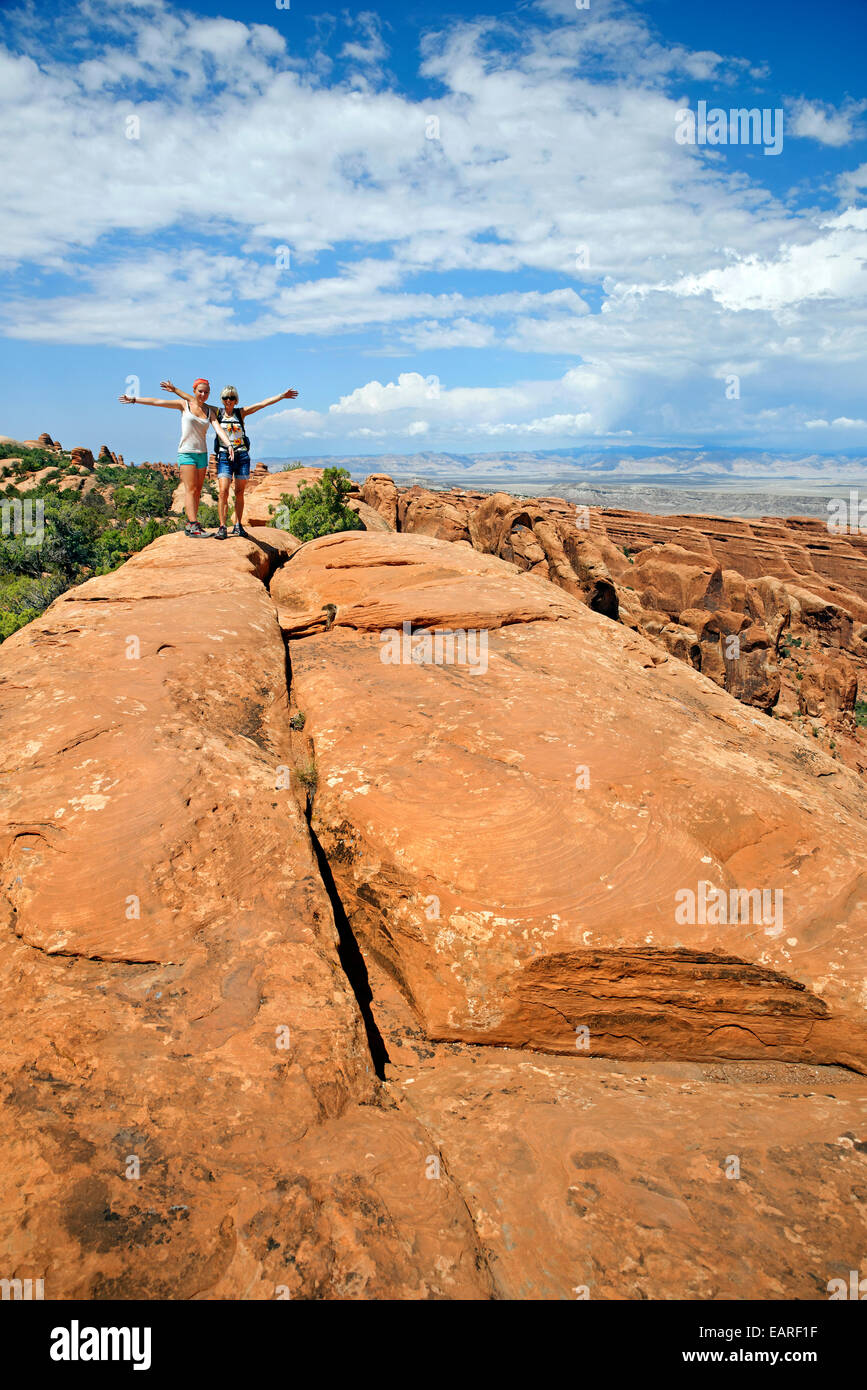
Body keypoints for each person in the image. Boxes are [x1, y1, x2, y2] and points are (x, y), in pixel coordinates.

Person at [118, 378, 234, 536]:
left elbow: (219, 429)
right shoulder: (183, 405)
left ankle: (194, 525)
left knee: (198, 490)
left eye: (206, 392)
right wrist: (134, 399)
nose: (203, 394)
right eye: (200, 391)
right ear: (194, 391)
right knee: (191, 489)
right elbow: (158, 401)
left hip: (202, 454)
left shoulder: (209, 411)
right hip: (186, 452)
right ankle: (192, 525)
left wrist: (229, 444)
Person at [209, 384, 298, 539]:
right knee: (223, 491)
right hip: (224, 456)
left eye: (231, 397)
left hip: (242, 457)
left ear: (236, 400)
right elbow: (195, 401)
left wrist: (282, 396)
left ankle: (238, 525)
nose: (228, 400)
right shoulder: (218, 413)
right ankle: (222, 527)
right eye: (225, 397)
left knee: (239, 492)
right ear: (222, 400)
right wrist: (176, 390)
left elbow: (262, 404)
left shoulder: (240, 413)